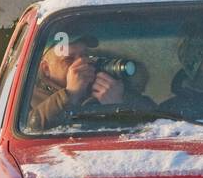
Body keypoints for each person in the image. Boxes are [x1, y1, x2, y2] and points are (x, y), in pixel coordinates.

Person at [26, 34, 154, 131]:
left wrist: (119, 104)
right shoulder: (25, 99)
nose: (82, 63)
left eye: (85, 55)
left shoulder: (108, 86)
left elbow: (156, 120)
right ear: (46, 69)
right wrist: (70, 94)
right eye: (69, 59)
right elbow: (30, 128)